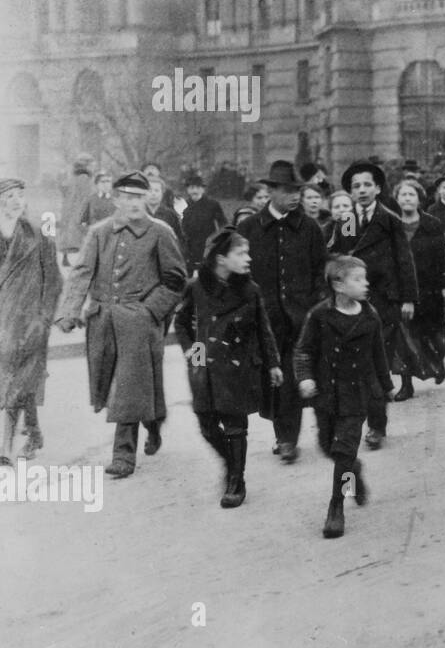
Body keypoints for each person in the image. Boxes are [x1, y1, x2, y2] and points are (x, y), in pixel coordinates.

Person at [55, 171, 187, 477]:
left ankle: (123, 455)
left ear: (147, 199)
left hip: (140, 323)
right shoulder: (100, 232)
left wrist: (148, 312)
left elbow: (175, 280)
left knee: (128, 386)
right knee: (125, 385)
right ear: (115, 200)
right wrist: (69, 311)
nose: (133, 204)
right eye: (127, 197)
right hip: (103, 321)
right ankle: (154, 422)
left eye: (139, 197)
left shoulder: (160, 232)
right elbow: (82, 271)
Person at [175, 228, 282, 508]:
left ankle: (237, 480)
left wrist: (273, 364)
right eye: (241, 253)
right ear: (221, 259)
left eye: (248, 252)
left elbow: (263, 329)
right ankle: (230, 462)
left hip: (238, 367)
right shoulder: (195, 288)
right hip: (204, 368)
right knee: (207, 424)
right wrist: (194, 354)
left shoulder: (250, 290)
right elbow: (182, 323)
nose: (248, 258)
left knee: (235, 425)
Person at [235, 160, 327, 462]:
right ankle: (281, 433)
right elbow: (239, 274)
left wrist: (315, 307)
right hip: (264, 318)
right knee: (271, 380)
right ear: (271, 191)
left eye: (298, 190)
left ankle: (287, 438)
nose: (295, 196)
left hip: (301, 317)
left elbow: (320, 271)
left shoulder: (310, 228)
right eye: (288, 190)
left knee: (291, 377)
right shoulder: (248, 228)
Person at [295, 256, 389, 538]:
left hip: (357, 393)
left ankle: (336, 507)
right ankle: (354, 476)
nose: (366, 283)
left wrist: (386, 387)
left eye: (365, 278)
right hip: (326, 392)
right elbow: (304, 350)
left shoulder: (370, 315)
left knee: (343, 451)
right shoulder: (319, 315)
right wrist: (305, 377)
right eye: (357, 279)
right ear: (338, 284)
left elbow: (378, 354)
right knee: (328, 447)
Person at [335, 161, 418, 449]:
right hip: (352, 300)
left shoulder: (390, 220)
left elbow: (404, 260)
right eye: (356, 186)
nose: (361, 190)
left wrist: (408, 298)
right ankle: (356, 422)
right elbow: (338, 253)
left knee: (374, 363)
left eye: (367, 185)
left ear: (378, 188)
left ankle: (376, 426)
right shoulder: (346, 220)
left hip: (383, 300)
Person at [0, 178, 61, 464]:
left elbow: (54, 280)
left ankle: (6, 449)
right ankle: (34, 433)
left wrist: (44, 316)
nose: (15, 200)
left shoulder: (37, 233)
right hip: (3, 321)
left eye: (19, 195)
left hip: (31, 321)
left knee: (19, 379)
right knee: (17, 381)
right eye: (9, 195)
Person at [392, 178, 445, 398]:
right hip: (402, 291)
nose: (407, 198)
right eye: (403, 195)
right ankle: (406, 384)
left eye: (411, 195)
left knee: (434, 335)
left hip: (430, 290)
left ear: (419, 199)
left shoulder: (433, 224)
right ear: (397, 199)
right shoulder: (392, 224)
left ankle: (439, 363)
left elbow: (442, 257)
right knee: (405, 338)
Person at [179, 173, 227, 275]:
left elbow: (223, 224)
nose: (195, 191)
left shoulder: (212, 204)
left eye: (198, 188)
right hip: (190, 247)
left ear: (203, 189)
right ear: (188, 190)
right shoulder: (184, 205)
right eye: (192, 188)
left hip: (207, 245)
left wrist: (219, 241)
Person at [59, 153, 95, 266]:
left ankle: (66, 256)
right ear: (86, 165)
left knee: (69, 233)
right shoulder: (85, 178)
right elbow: (87, 196)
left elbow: (64, 189)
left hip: (69, 209)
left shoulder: (73, 178)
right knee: (82, 234)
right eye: (91, 164)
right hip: (79, 209)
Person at [145, 176, 182, 240]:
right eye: (150, 190)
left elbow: (179, 239)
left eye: (157, 190)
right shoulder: (139, 213)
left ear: (162, 193)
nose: (153, 194)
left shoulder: (170, 215)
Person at [79, 171, 116, 236]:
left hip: (110, 237)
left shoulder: (115, 201)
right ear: (97, 184)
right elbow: (83, 221)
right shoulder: (90, 200)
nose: (106, 185)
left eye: (108, 181)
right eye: (103, 182)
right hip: (93, 237)